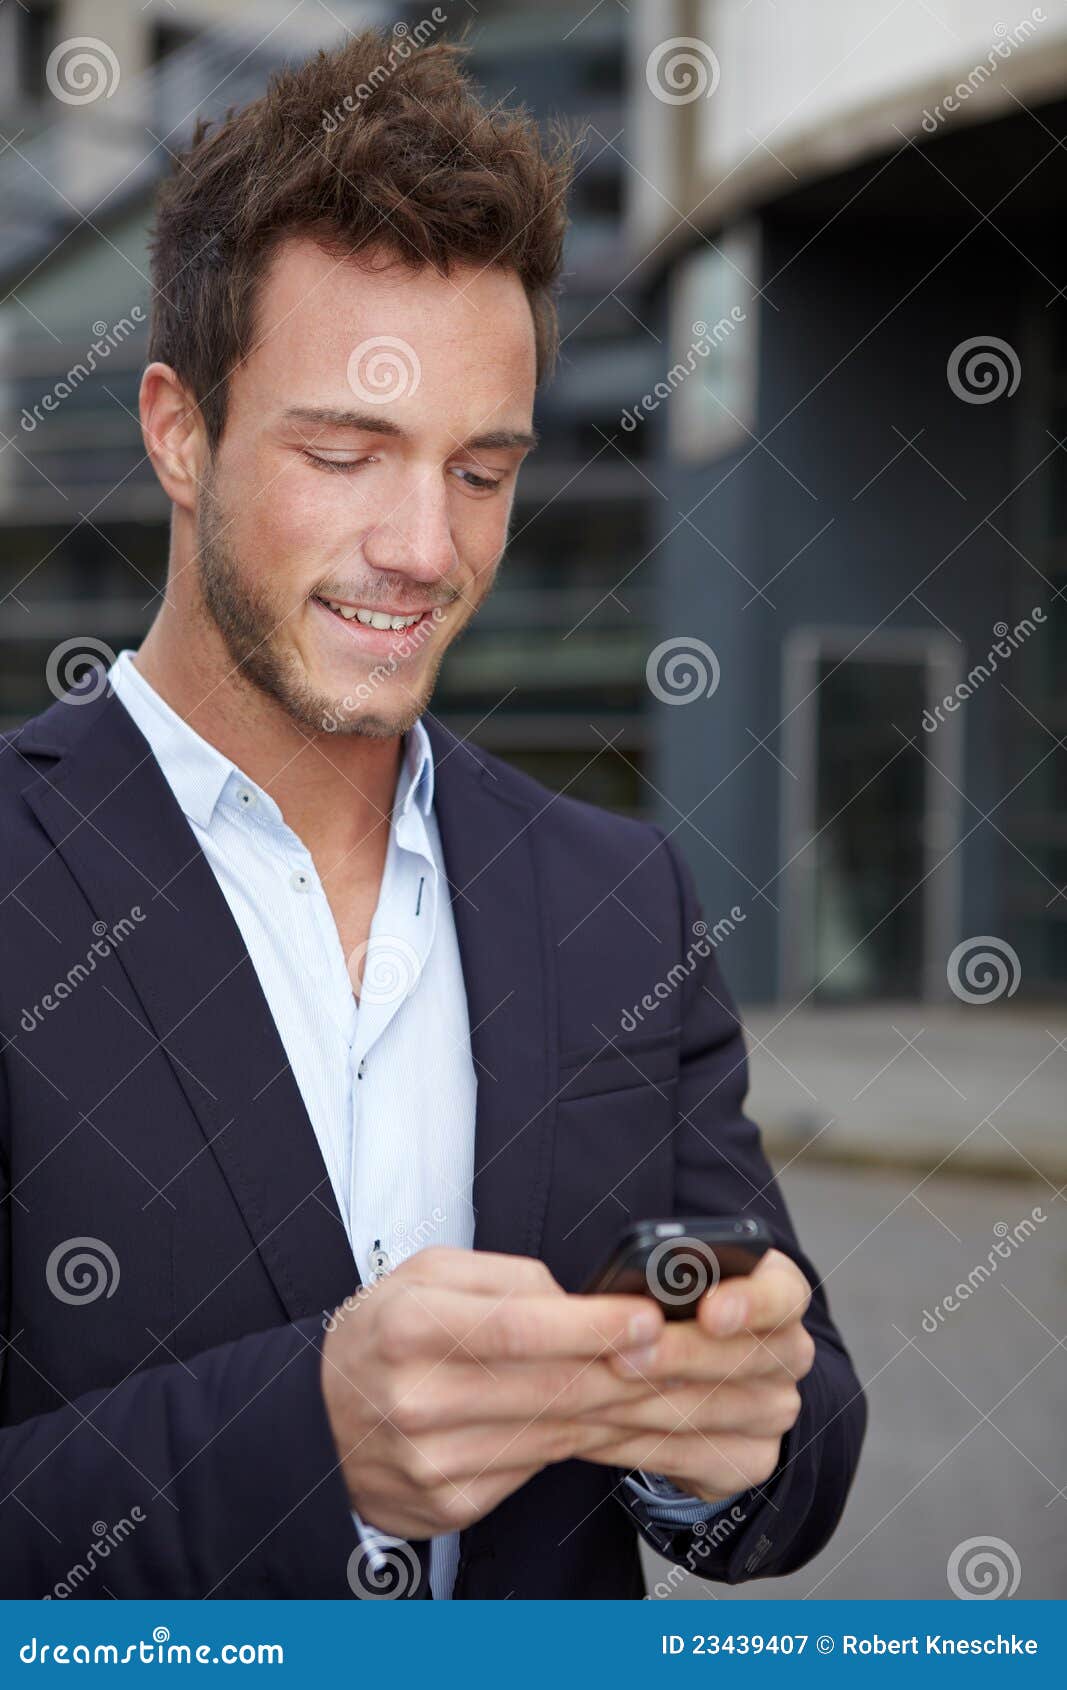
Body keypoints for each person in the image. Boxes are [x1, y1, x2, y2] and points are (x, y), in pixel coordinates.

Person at [0, 28, 865, 1600]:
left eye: (483, 468)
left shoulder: (621, 890)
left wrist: (720, 1432)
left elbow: (799, 1442)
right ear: (178, 430)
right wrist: (306, 1431)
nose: (424, 545)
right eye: (346, 452)